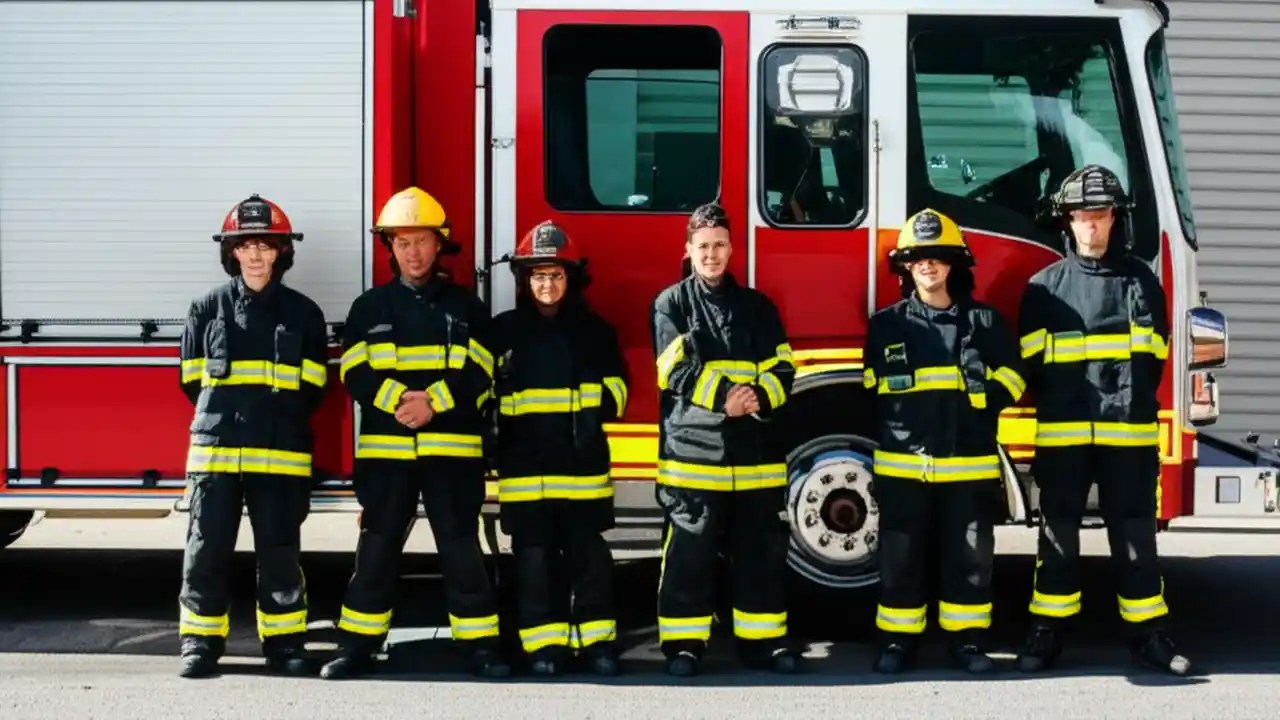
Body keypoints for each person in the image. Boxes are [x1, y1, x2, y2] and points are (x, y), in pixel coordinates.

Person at [320, 187, 509, 680]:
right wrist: (404, 405)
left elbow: (482, 369)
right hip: (388, 457)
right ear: (390, 248)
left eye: (421, 240)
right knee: (376, 550)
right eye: (402, 242)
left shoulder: (467, 309)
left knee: (461, 549)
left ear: (439, 243)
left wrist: (434, 404)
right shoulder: (369, 308)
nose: (413, 251)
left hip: (452, 455)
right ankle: (357, 645)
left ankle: (481, 647)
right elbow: (354, 371)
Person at [1016, 165, 1190, 676]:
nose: (1090, 224)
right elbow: (1032, 366)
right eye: (1081, 215)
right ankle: (1046, 633)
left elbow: (1154, 358)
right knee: (1057, 537)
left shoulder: (1143, 282)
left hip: (1128, 436)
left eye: (1099, 214)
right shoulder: (1043, 288)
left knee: (1137, 537)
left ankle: (1150, 636)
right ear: (1066, 221)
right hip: (1065, 435)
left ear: (1114, 218)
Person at [862, 209, 1025, 674]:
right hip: (902, 470)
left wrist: (987, 400)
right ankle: (897, 643)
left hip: (968, 468)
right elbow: (873, 389)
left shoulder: (985, 323)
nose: (927, 266)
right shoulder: (886, 326)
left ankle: (968, 644)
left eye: (936, 257)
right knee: (900, 561)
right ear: (906, 268)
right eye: (917, 259)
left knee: (969, 560)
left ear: (954, 263)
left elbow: (1015, 377)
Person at [177, 194, 328, 678]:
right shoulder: (204, 309)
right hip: (216, 458)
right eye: (246, 245)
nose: (257, 254)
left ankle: (284, 645)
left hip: (280, 457)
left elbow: (314, 388)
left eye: (266, 245)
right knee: (206, 550)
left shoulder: (305, 314)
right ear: (232, 253)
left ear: (283, 252)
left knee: (281, 553)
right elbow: (190, 381)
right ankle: (200, 642)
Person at [650, 203, 800, 677]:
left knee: (759, 553)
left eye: (719, 245)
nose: (711, 255)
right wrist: (725, 401)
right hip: (694, 457)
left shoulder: (758, 306)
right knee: (688, 554)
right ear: (688, 251)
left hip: (754, 456)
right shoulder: (671, 303)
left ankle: (763, 644)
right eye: (703, 247)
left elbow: (784, 367)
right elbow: (672, 368)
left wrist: (759, 396)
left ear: (732, 249)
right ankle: (684, 646)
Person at [491, 221, 627, 676]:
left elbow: (620, 392)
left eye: (555, 275)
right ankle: (542, 648)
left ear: (571, 279)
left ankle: (598, 646)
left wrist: (593, 407)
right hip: (524, 470)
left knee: (589, 559)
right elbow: (480, 396)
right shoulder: (502, 333)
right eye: (538, 275)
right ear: (525, 281)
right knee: (534, 560)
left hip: (581, 467)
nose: (547, 285)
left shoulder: (595, 333)